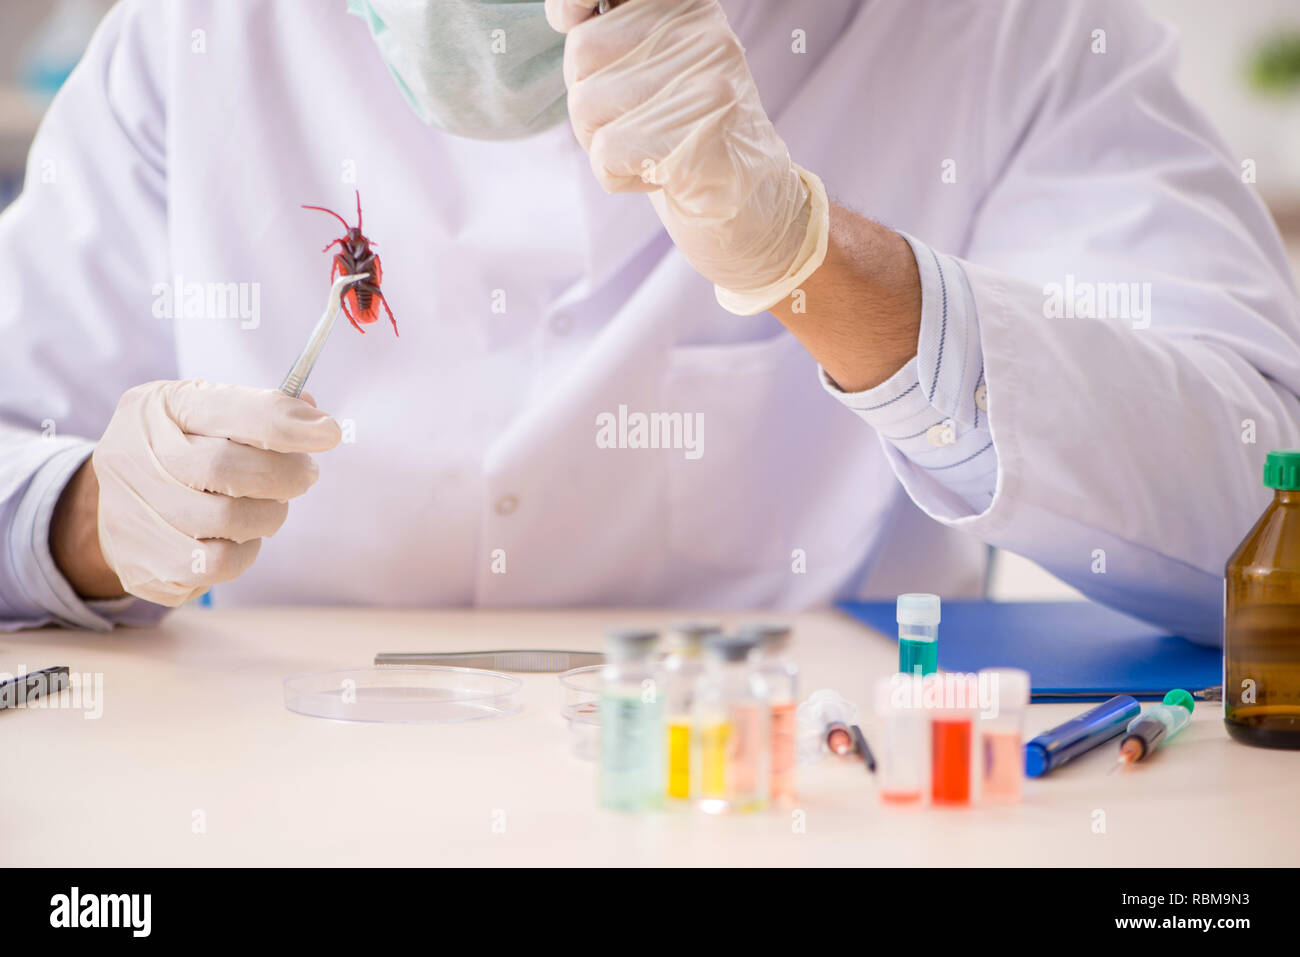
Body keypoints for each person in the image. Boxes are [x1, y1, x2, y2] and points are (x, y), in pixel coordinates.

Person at [1, 0, 1296, 645]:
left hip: (780, 799)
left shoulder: (1002, 34)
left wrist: (819, 265)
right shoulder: (207, 35)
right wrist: (91, 516)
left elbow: (1262, 511)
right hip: (272, 785)